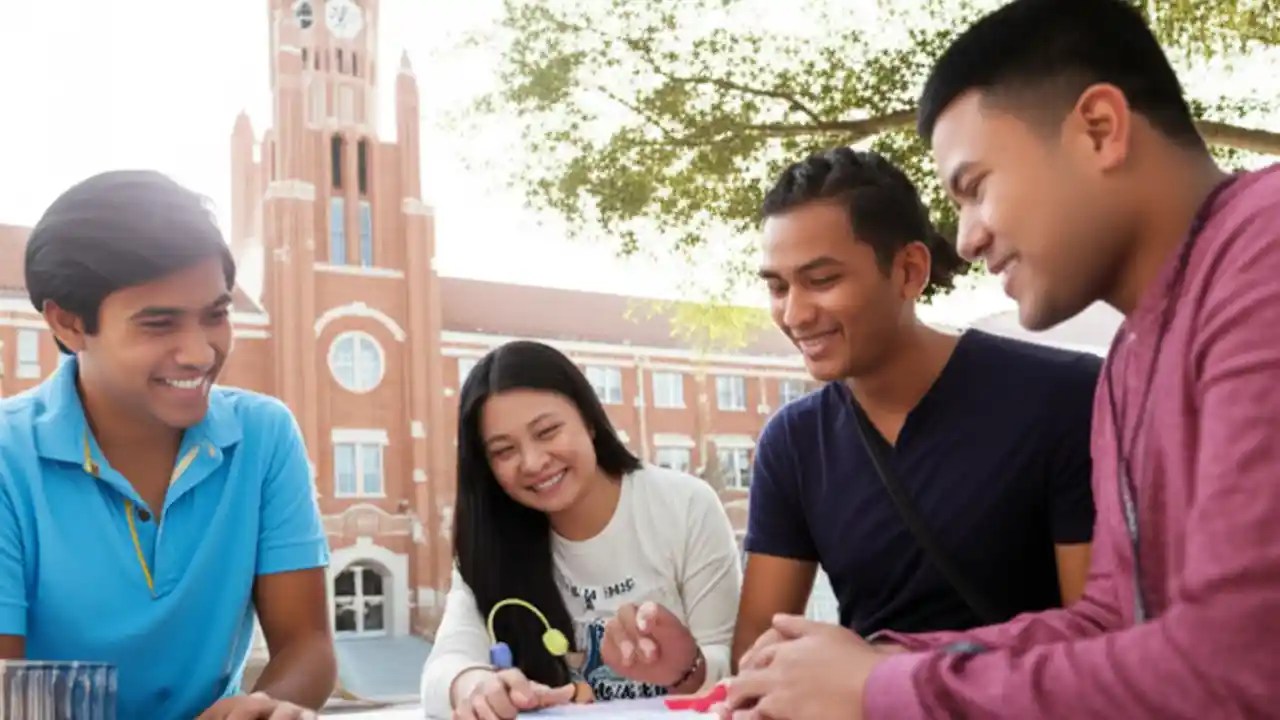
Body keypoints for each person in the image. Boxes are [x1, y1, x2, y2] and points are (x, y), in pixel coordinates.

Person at [722, 0, 1280, 718]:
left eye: (975, 188)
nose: (971, 239)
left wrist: (880, 689)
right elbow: (1109, 620)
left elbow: (1245, 661)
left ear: (1099, 130)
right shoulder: (1129, 366)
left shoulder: (1261, 253)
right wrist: (875, 661)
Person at [732, 146, 1101, 664]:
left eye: (822, 281)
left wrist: (883, 667)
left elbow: (1100, 640)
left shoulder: (1065, 398)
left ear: (909, 270)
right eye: (776, 287)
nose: (794, 313)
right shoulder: (793, 444)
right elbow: (756, 654)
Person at [0, 171, 335, 720]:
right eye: (159, 324)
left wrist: (263, 709)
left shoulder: (265, 435)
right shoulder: (8, 459)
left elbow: (307, 646)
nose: (200, 353)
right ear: (67, 324)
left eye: (216, 315)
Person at [418, 340, 741, 719]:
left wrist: (687, 668)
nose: (534, 462)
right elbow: (443, 669)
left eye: (547, 431)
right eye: (504, 451)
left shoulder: (684, 505)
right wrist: (474, 684)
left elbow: (732, 664)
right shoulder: (490, 543)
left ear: (588, 419)